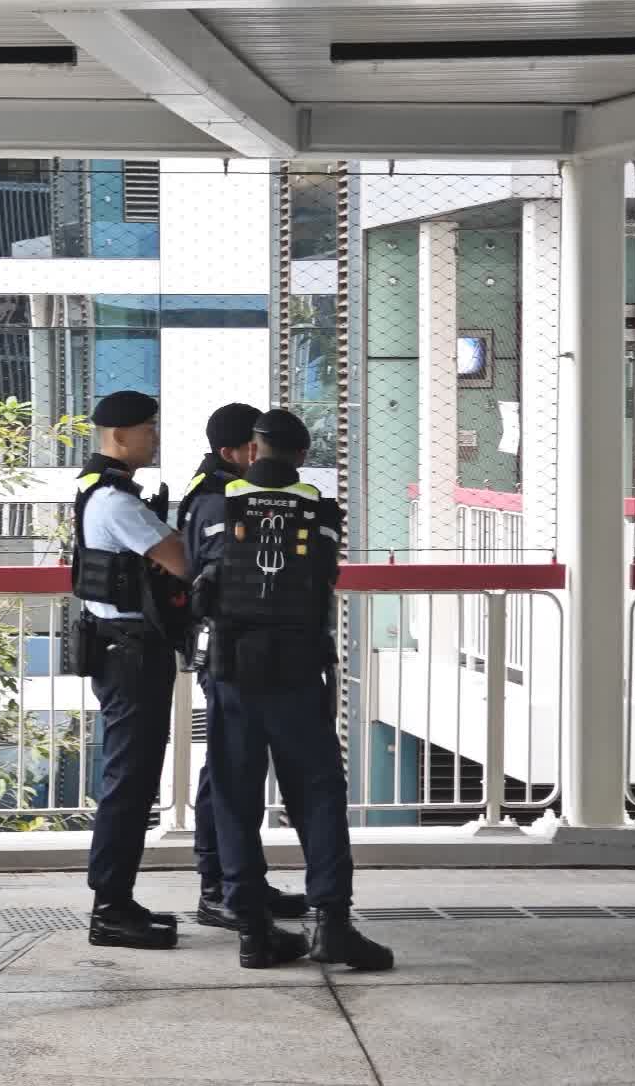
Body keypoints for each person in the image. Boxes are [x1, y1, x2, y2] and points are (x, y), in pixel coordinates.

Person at [196, 409, 395, 972]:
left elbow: (197, 580)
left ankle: (253, 932)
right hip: (301, 673)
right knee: (318, 795)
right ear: (302, 456)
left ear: (253, 451)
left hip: (233, 671)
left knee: (234, 797)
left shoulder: (215, 506)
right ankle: (332, 924)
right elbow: (324, 577)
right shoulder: (321, 512)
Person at [179, 402, 310, 930]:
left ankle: (242, 882)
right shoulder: (216, 502)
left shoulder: (214, 494)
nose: (261, 455)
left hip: (231, 651)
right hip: (230, 652)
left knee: (232, 771)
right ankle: (219, 886)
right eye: (253, 446)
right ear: (231, 452)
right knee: (227, 774)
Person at [70, 389, 191, 950]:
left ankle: (116, 900)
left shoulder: (101, 491)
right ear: (119, 436)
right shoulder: (117, 502)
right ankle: (111, 907)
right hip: (131, 653)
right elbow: (180, 560)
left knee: (132, 779)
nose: (155, 437)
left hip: (122, 650)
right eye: (148, 428)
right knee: (129, 781)